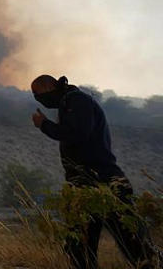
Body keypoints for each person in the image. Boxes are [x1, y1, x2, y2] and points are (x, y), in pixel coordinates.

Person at [31, 75, 160, 269]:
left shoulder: (78, 101)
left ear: (48, 87)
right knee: (79, 245)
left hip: (104, 183)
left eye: (37, 94)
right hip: (85, 186)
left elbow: (76, 134)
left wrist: (44, 125)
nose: (37, 99)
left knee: (134, 244)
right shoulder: (69, 102)